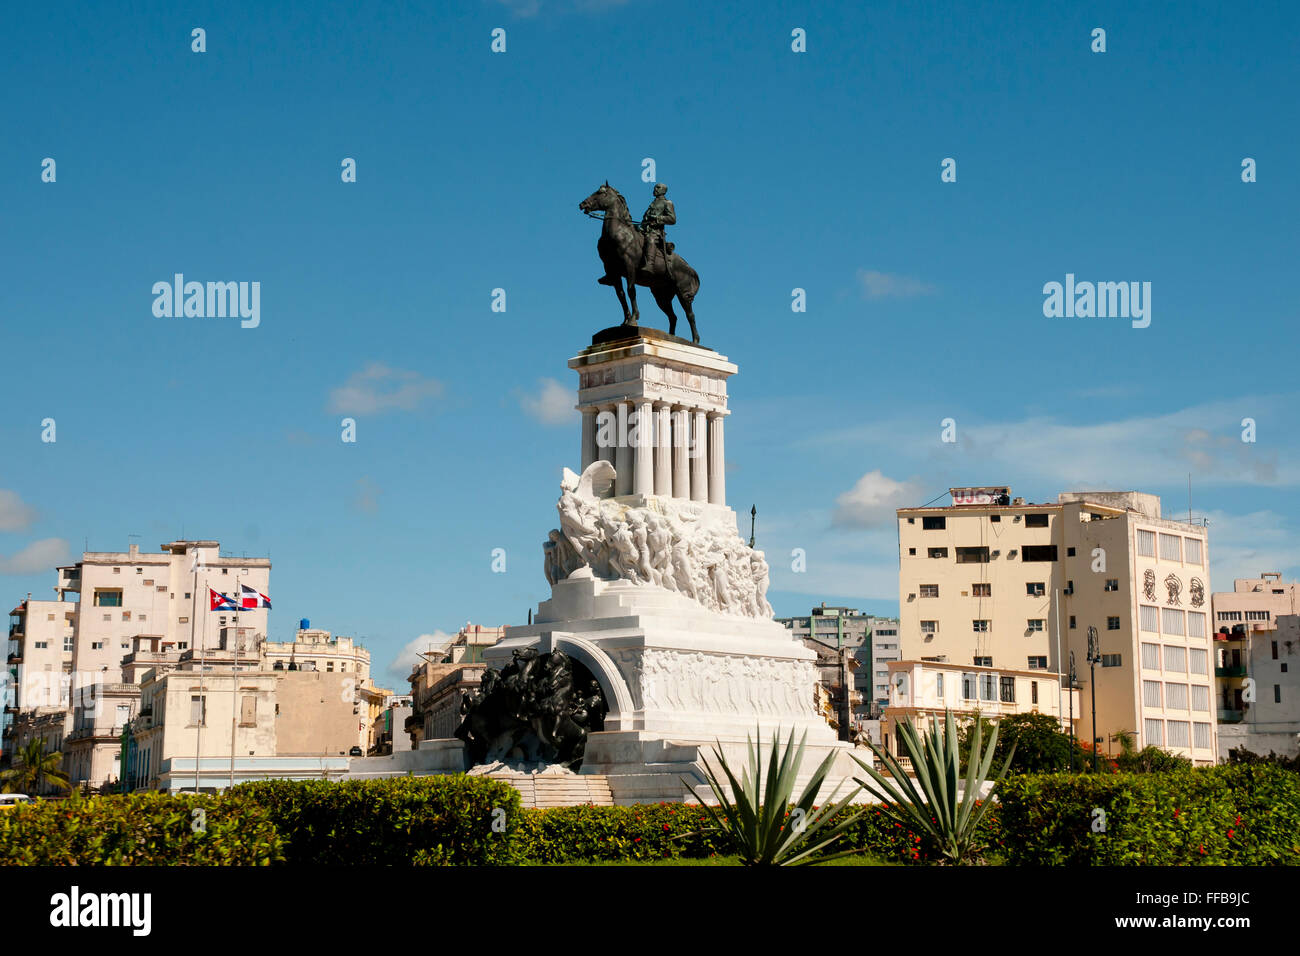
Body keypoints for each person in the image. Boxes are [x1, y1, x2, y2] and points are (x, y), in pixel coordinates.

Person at [639, 183, 676, 271]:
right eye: (655, 187)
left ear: (664, 191)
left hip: (656, 232)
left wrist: (657, 219)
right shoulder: (653, 203)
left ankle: (650, 264)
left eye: (658, 188)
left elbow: (672, 219)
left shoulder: (667, 203)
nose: (655, 189)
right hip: (644, 229)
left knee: (650, 240)